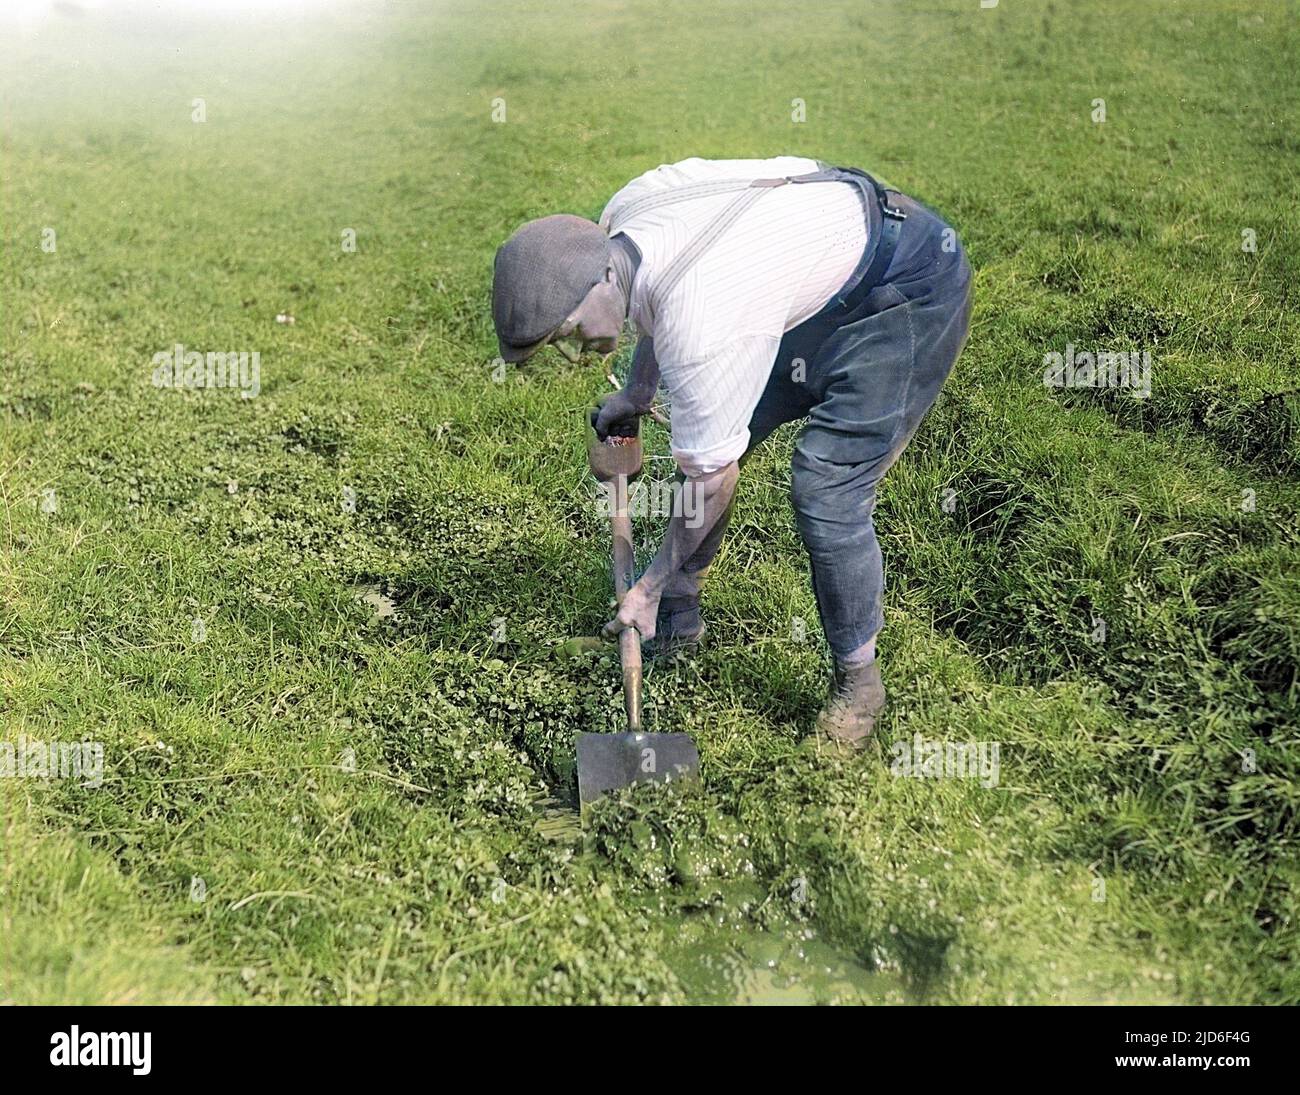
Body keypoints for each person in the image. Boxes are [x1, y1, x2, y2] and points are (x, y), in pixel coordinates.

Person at [491, 156, 972, 747]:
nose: (574, 354)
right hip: (814, 280)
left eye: (566, 335)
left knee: (825, 489)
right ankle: (678, 620)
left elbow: (713, 479)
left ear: (601, 281)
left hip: (905, 288)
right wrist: (640, 392)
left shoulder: (706, 324)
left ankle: (859, 682)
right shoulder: (623, 226)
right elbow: (655, 305)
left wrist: (644, 584)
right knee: (699, 439)